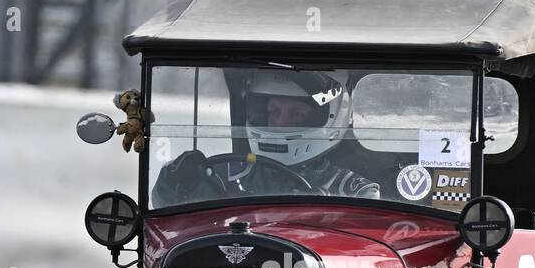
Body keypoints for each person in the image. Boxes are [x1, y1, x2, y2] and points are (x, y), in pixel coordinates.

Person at [153, 69, 380, 205]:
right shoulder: (225, 175)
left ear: (332, 117)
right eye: (274, 112)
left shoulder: (353, 191)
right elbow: (169, 210)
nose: (281, 124)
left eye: (297, 115)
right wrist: (175, 179)